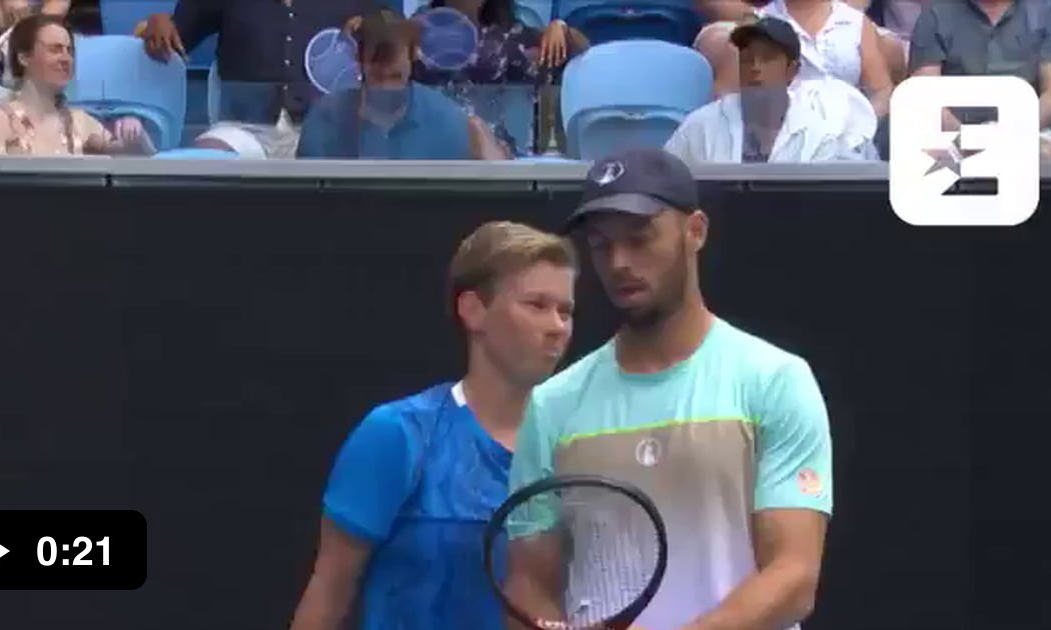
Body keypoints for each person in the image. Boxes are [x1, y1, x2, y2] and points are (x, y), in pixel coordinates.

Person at [505, 148, 832, 630]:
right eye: (601, 245)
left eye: (639, 239)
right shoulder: (553, 406)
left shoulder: (774, 380)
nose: (619, 262)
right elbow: (529, 582)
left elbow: (794, 576)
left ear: (694, 231)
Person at [288, 221, 576, 630]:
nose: (557, 327)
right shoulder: (397, 435)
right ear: (473, 310)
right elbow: (329, 592)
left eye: (565, 311)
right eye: (536, 305)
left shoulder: (579, 442)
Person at [140, 0, 368, 159]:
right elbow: (173, 35)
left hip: (321, 130)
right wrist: (159, 22)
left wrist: (370, 26)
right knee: (203, 161)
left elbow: (389, 28)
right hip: (243, 129)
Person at [295, 10, 506, 160]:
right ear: (358, 61)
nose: (386, 89)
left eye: (395, 77)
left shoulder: (448, 121)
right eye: (378, 77)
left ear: (413, 56)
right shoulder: (325, 119)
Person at [666, 17, 878, 163]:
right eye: (747, 58)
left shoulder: (820, 135)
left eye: (767, 59)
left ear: (792, 71)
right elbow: (667, 180)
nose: (755, 67)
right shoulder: (700, 125)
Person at [411, 0, 588, 156]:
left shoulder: (512, 37)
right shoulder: (418, 31)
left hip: (498, 153)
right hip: (434, 150)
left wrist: (561, 28)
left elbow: (583, 50)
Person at [909, 0, 1051, 160]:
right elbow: (926, 98)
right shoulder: (935, 14)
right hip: (952, 136)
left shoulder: (1047, 12)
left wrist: (1008, 138)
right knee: (932, 162)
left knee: (1043, 155)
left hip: (1028, 132)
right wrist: (970, 141)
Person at [0, 14, 154, 156]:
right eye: (55, 50)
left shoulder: (79, 120)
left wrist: (136, 135)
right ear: (23, 58)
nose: (66, 59)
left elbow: (138, 156)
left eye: (69, 51)